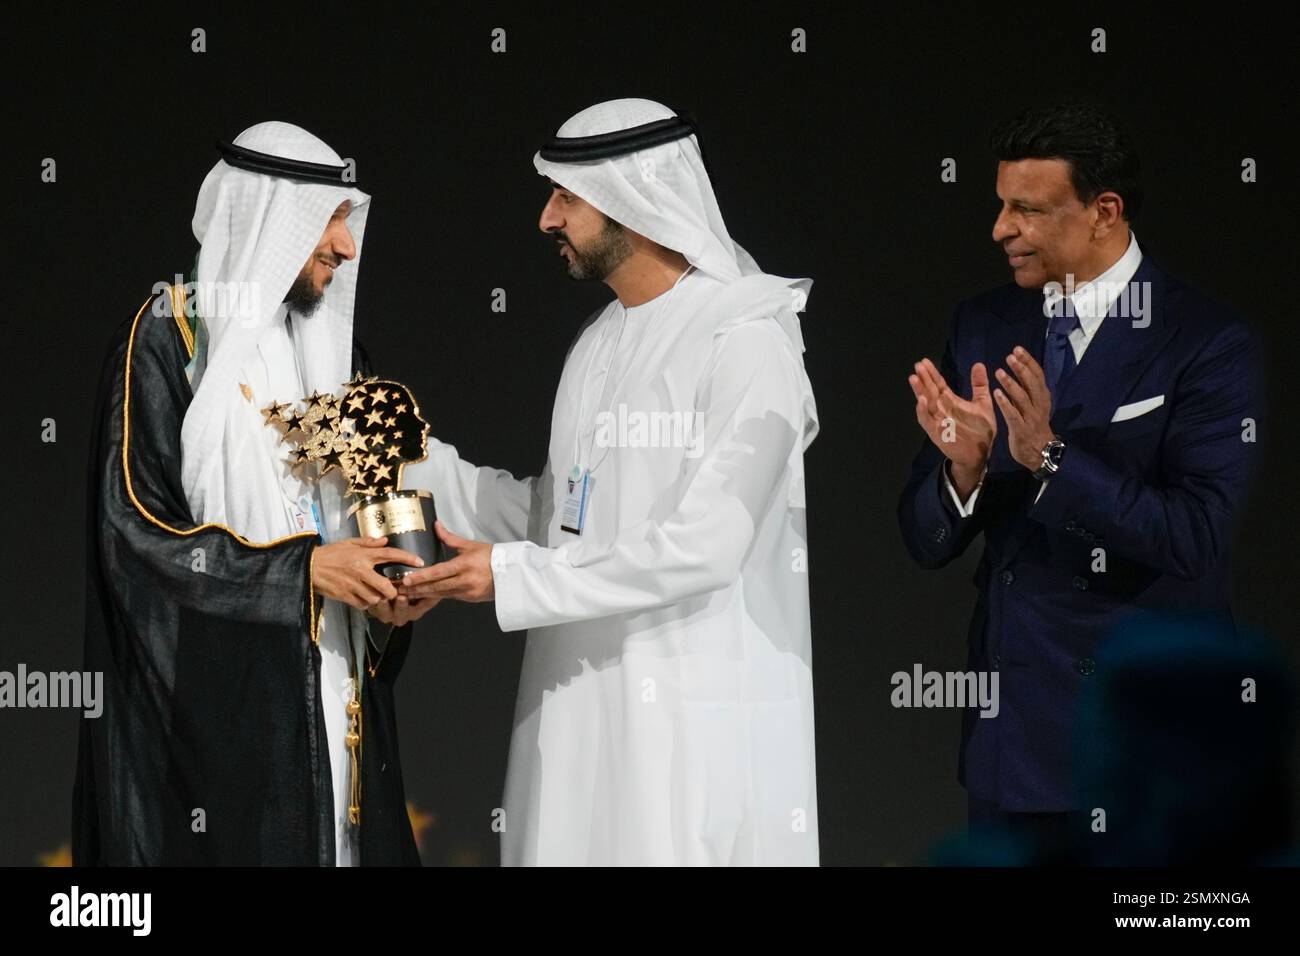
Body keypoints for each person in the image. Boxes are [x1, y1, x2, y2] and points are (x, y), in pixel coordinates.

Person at [399, 98, 820, 865]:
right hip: (571, 712)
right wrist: (412, 461)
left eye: (566, 197)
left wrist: (514, 576)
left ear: (635, 198)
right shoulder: (597, 343)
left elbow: (707, 545)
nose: (546, 219)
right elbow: (557, 523)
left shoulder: (747, 340)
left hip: (686, 726)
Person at [73, 122, 436, 866]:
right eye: (328, 221)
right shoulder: (171, 340)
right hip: (219, 724)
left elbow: (366, 520)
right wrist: (301, 571)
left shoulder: (339, 362)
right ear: (270, 218)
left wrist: (393, 601)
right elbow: (132, 533)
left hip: (340, 704)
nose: (347, 245)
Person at [897, 103, 1263, 838]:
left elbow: (1195, 535)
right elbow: (923, 537)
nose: (1000, 229)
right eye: (1001, 205)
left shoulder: (1206, 340)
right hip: (1013, 743)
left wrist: (1050, 460)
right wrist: (962, 474)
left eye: (1026, 210)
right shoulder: (984, 323)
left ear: (1105, 211)